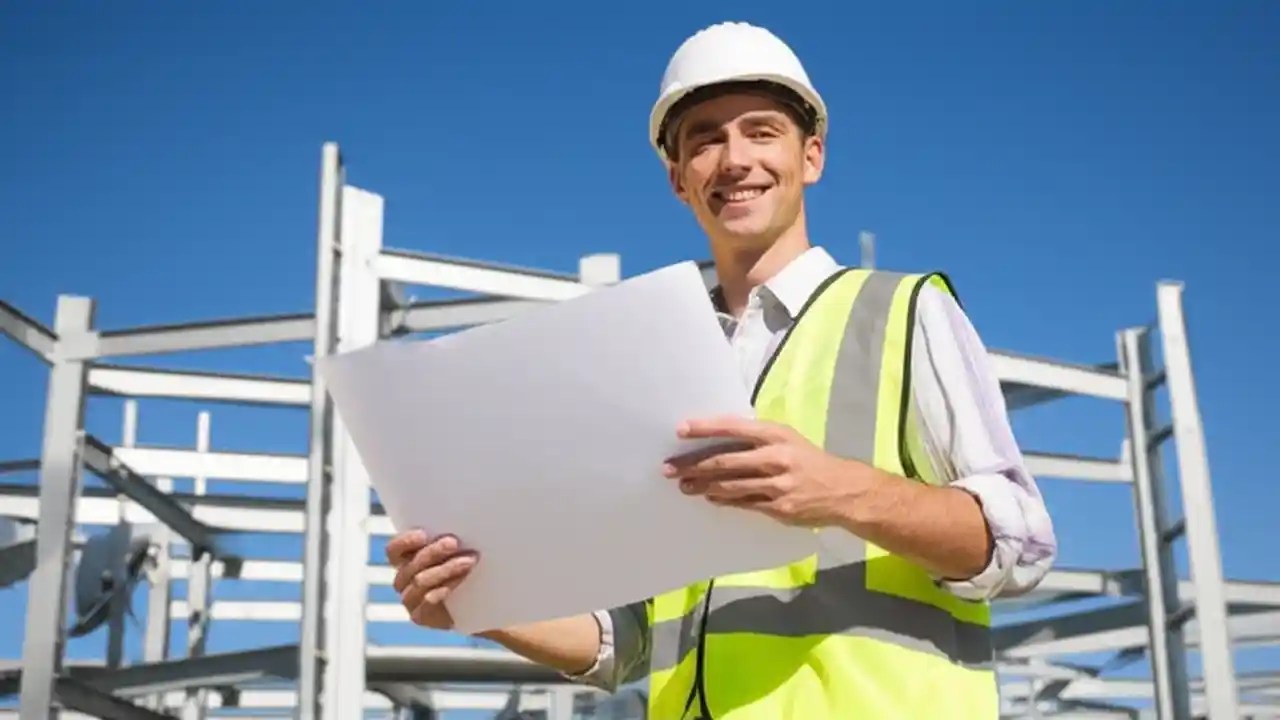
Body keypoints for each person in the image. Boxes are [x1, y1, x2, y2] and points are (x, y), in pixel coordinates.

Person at [386, 20, 1056, 719]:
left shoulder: (902, 313)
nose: (734, 159)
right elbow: (632, 638)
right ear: (678, 178)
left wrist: (840, 491)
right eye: (705, 138)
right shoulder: (656, 363)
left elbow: (1023, 543)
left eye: (761, 132)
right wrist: (475, 606)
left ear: (813, 156)